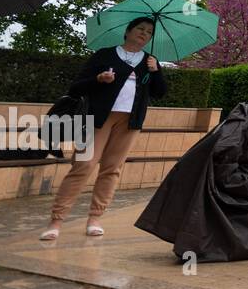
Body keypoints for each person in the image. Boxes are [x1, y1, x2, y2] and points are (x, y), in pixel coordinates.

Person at [135, 86, 248, 262]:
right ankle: (228, 247)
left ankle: (244, 246)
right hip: (219, 191)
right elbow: (225, 176)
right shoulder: (237, 129)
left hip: (243, 184)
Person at [41, 17, 166, 241]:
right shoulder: (105, 55)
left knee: (112, 169)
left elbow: (159, 92)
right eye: (140, 29)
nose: (144, 34)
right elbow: (76, 86)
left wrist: (156, 71)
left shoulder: (150, 61)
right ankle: (56, 221)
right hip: (97, 118)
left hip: (130, 122)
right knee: (83, 165)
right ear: (127, 31)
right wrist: (98, 79)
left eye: (149, 32)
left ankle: (95, 218)